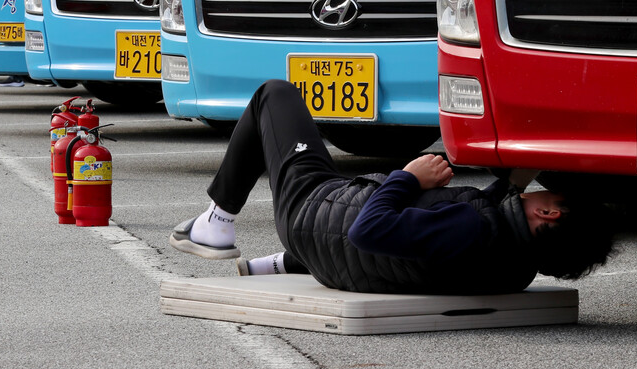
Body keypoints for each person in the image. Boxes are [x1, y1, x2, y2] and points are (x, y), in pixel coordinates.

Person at [169, 80, 614, 295]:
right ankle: (288, 263)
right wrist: (513, 178)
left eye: (546, 193)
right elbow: (490, 219)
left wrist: (408, 176)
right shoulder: (515, 267)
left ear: (550, 213)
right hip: (337, 263)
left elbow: (369, 231)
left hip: (312, 213)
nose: (537, 190)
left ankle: (217, 223)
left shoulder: (471, 230)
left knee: (275, 95)